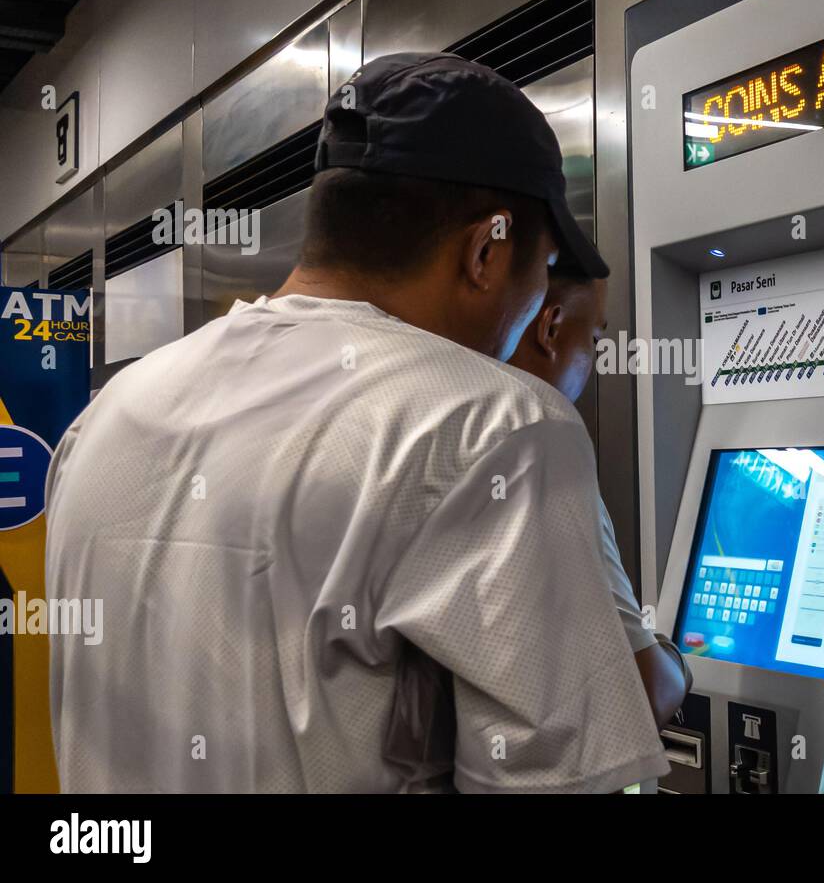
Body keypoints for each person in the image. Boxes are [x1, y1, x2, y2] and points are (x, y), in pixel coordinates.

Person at [44, 53, 669, 793]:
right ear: (485, 250)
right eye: (543, 268)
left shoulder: (106, 415)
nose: (538, 305)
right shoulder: (496, 424)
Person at [507, 273, 691, 727]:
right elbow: (647, 691)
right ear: (550, 328)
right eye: (593, 338)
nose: (593, 362)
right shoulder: (544, 440)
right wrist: (676, 659)